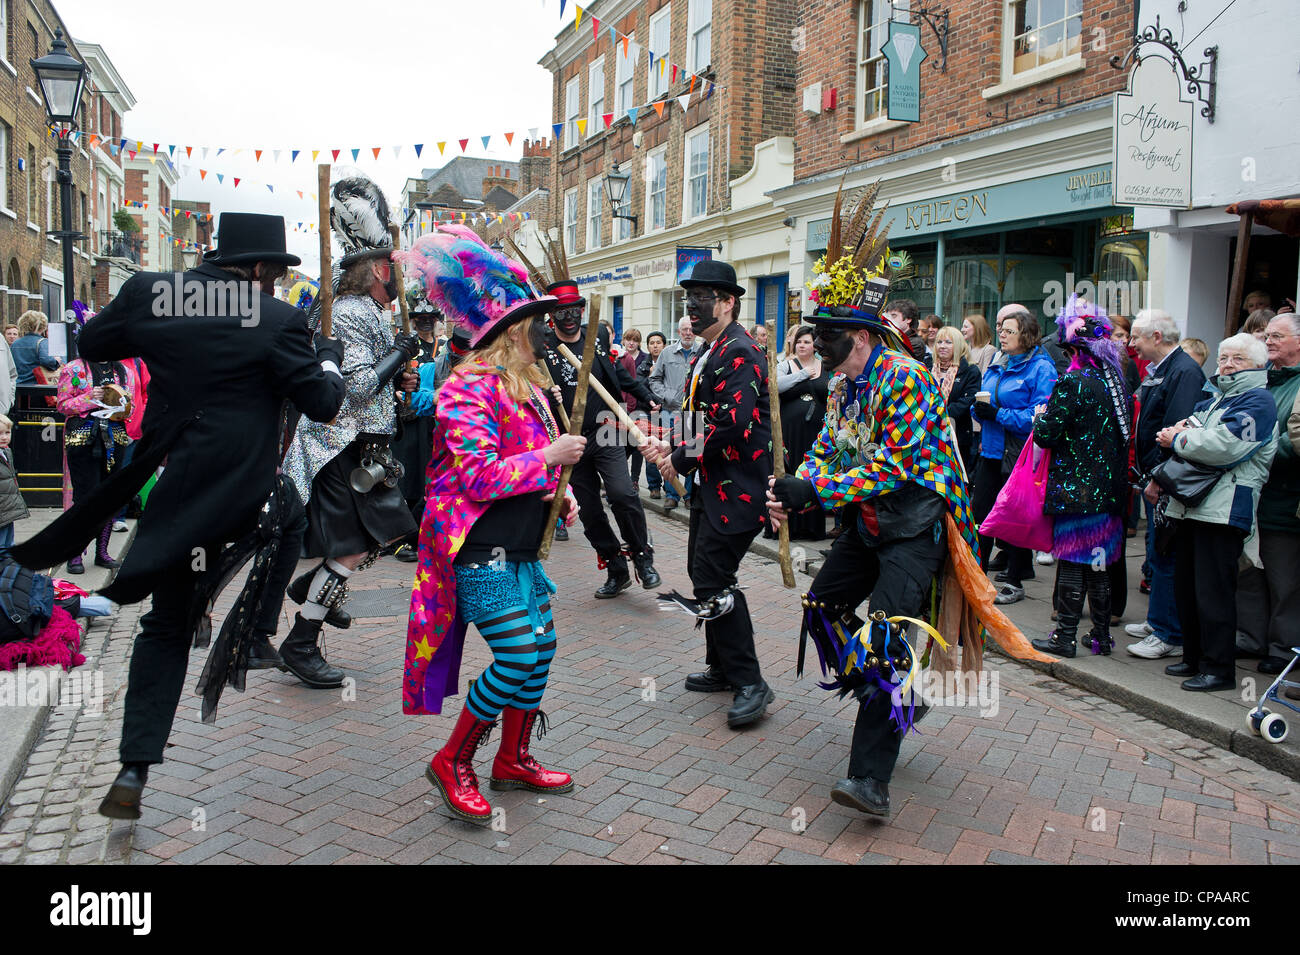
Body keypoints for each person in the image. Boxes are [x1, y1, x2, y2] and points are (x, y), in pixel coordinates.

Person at [13, 211, 345, 819]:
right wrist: (325, 357)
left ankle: (135, 766)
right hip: (249, 497)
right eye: (273, 273)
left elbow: (91, 344)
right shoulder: (278, 319)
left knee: (164, 625)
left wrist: (159, 327)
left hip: (181, 494)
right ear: (262, 268)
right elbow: (323, 404)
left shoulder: (154, 293)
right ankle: (254, 633)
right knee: (291, 524)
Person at [399, 225, 582, 822]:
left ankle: (511, 759)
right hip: (481, 549)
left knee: (543, 648)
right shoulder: (466, 388)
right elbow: (477, 477)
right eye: (536, 322)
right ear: (510, 331)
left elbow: (529, 464)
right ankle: (453, 759)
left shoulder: (524, 387)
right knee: (516, 653)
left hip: (522, 545)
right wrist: (548, 461)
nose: (546, 331)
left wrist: (560, 492)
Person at [281, 174, 422, 687]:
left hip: (367, 447)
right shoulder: (347, 312)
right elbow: (359, 387)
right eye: (395, 268)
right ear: (380, 269)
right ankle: (301, 639)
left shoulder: (371, 311)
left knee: (371, 541)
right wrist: (398, 357)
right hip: (341, 447)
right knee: (352, 550)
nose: (401, 277)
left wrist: (401, 375)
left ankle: (310, 594)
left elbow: (378, 384)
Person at [645, 260, 775, 729]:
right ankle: (722, 667)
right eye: (689, 299)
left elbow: (732, 422)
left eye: (701, 298)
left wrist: (679, 459)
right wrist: (670, 443)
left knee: (712, 577)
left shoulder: (740, 351)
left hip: (737, 489)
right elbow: (700, 414)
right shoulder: (711, 349)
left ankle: (751, 682)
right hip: (711, 485)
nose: (692, 307)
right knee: (705, 573)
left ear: (727, 302)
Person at [526, 235, 661, 597]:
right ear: (551, 316)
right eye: (561, 312)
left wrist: (648, 398)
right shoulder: (542, 348)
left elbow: (620, 376)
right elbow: (527, 387)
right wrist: (543, 391)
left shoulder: (597, 336)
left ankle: (643, 558)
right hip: (569, 440)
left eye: (574, 311)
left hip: (606, 431)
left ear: (583, 312)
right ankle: (616, 568)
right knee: (588, 511)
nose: (569, 318)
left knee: (622, 493)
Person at [1147, 334, 1277, 691]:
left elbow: (1226, 445)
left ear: (1257, 364)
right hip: (1193, 506)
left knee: (1214, 593)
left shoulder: (1258, 401)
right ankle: (1193, 657)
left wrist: (1180, 440)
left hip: (1223, 511)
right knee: (1187, 588)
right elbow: (1191, 427)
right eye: (1224, 357)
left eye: (1237, 359)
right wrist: (1186, 434)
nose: (1227, 364)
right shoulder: (1218, 395)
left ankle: (1218, 669)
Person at [1030, 297, 1134, 658]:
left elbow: (1047, 434)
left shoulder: (1073, 382)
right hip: (1108, 492)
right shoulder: (1115, 383)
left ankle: (1064, 637)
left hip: (1077, 491)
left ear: (1075, 349)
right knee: (1098, 564)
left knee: (1073, 562)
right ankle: (1101, 638)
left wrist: (1039, 417)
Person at [1123, 309, 1205, 659]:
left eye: (1137, 336)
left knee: (1165, 553)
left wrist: (1158, 477)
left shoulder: (1184, 371)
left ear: (1156, 337)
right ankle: (1158, 622)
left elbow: (1176, 429)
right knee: (1157, 553)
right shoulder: (1167, 369)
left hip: (1165, 480)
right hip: (1154, 476)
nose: (1131, 344)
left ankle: (1167, 631)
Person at [970, 306, 1057, 604]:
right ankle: (975, 577)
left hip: (1019, 455)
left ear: (1027, 335)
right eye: (1001, 330)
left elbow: (1038, 418)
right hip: (991, 451)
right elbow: (984, 398)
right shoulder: (998, 360)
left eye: (1009, 331)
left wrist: (998, 413)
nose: (1002, 335)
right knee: (980, 515)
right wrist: (979, 410)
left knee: (1016, 518)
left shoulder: (1041, 368)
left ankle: (1016, 579)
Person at [1236, 312, 1300, 673]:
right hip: (1254, 494)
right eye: (1267, 335)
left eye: (1277, 336)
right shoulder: (1263, 379)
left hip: (1285, 498)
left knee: (1284, 577)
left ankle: (1284, 648)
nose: (1269, 340)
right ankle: (1250, 638)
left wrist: (1265, 446)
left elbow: (1295, 441)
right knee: (1248, 569)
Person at [54, 353, 139, 572]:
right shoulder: (74, 369)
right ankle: (75, 554)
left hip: (115, 438)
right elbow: (63, 405)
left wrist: (121, 405)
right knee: (85, 498)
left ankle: (102, 552)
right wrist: (89, 397)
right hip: (83, 438)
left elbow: (131, 407)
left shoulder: (124, 371)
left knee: (109, 497)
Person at [390, 300, 444, 564]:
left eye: (430, 318)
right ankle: (400, 538)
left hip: (434, 420)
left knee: (428, 473)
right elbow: (392, 377)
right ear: (412, 320)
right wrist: (398, 391)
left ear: (436, 320)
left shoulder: (445, 346)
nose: (425, 322)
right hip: (408, 418)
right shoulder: (405, 345)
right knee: (406, 474)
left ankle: (425, 532)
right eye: (420, 317)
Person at [775, 324, 831, 540]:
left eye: (807, 342)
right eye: (799, 341)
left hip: (817, 432)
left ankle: (811, 526)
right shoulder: (786, 365)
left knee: (813, 473)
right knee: (790, 469)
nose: (802, 345)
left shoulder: (824, 365)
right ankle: (786, 526)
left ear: (815, 345)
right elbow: (776, 386)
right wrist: (802, 375)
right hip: (791, 430)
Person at [649, 317, 701, 509]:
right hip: (670, 411)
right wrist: (667, 396)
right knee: (667, 450)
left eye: (691, 329)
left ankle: (688, 495)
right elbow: (654, 380)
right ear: (678, 332)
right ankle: (672, 493)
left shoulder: (702, 353)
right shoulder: (667, 353)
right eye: (684, 330)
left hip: (692, 413)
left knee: (691, 451)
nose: (688, 333)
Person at [930, 325, 981, 469]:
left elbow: (967, 400)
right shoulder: (928, 367)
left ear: (958, 345)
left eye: (948, 342)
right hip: (929, 434)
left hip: (958, 434)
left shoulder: (970, 370)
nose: (942, 346)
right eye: (939, 342)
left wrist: (938, 413)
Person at [621, 328, 655, 494]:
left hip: (640, 406)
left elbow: (643, 384)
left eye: (634, 340)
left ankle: (634, 480)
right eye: (628, 339)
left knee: (637, 445)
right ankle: (620, 479)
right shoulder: (619, 357)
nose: (631, 342)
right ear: (624, 340)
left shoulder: (644, 359)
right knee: (620, 444)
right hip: (621, 405)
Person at [642, 331, 667, 498]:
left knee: (667, 448)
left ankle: (671, 486)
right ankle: (654, 486)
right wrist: (650, 375)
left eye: (658, 342)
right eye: (652, 343)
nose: (655, 345)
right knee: (651, 448)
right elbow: (638, 387)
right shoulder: (643, 366)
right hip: (650, 413)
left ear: (664, 345)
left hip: (667, 411)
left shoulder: (669, 362)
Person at [0, 414, 27, 558]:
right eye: (0, 434)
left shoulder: (6, 451)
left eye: (7, 432)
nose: (4, 437)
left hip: (8, 507)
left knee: (8, 544)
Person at [12, 311, 60, 385]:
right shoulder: (42, 342)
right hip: (36, 385)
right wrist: (56, 361)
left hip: (19, 385)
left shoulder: (15, 343)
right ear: (42, 326)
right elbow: (47, 361)